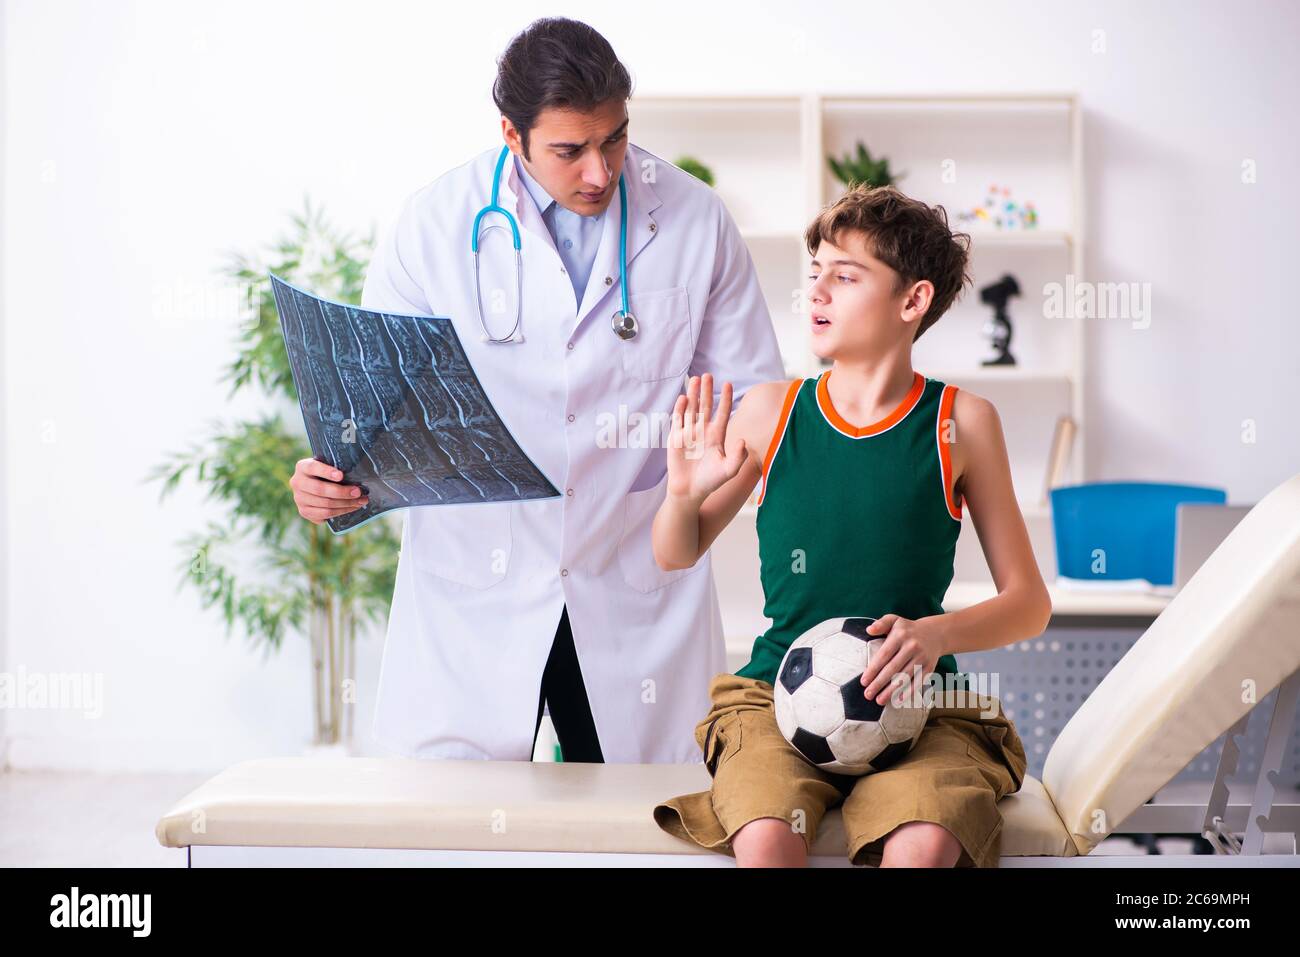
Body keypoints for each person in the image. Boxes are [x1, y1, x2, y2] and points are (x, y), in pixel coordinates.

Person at [288, 17, 783, 764]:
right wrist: (332, 482)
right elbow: (376, 416)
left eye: (614, 138)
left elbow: (758, 394)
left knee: (646, 826)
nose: (599, 171)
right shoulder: (433, 226)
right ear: (511, 137)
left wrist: (711, 491)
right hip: (475, 587)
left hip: (633, 578)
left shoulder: (693, 219)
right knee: (454, 830)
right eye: (568, 150)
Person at [651, 183, 1051, 866]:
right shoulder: (772, 412)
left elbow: (1029, 604)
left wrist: (936, 634)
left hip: (925, 710)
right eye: (814, 275)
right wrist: (682, 493)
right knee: (769, 834)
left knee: (923, 843)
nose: (818, 292)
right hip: (775, 695)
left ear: (912, 300)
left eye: (845, 275)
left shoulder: (964, 423)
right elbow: (676, 551)